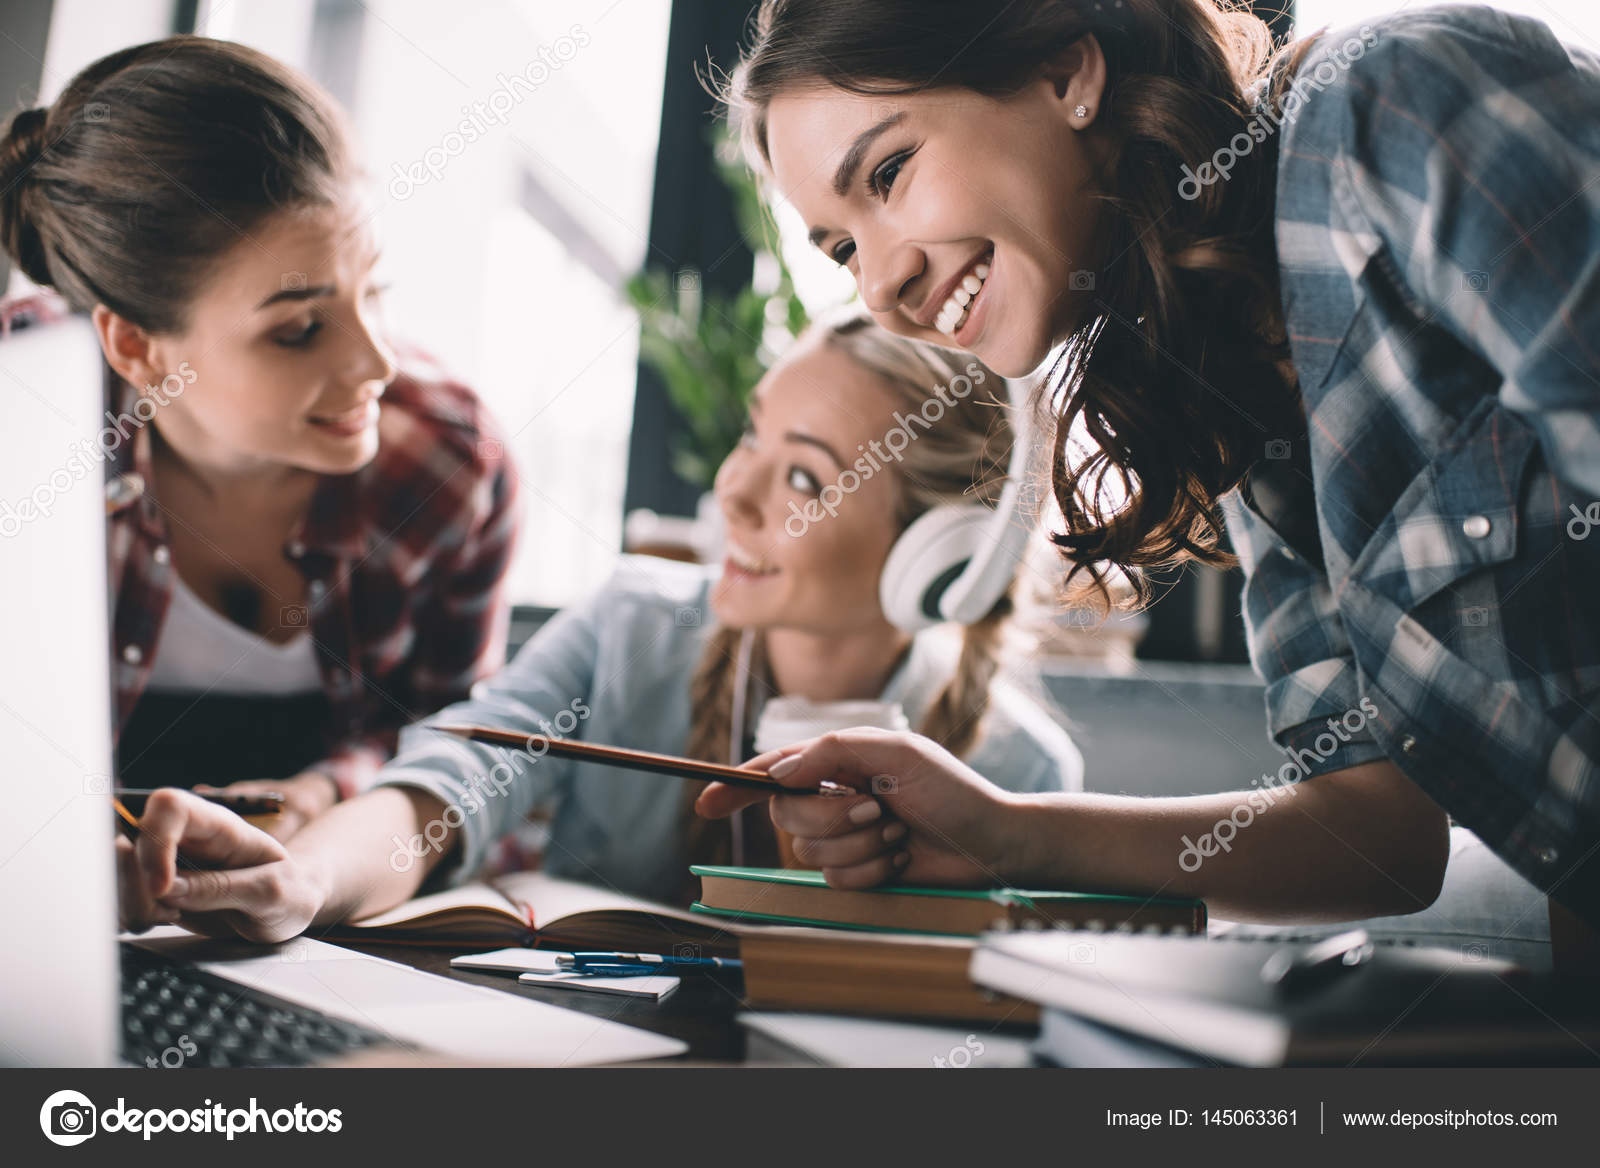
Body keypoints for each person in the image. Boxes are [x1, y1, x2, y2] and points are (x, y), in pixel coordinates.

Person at [696, 0, 1600, 927]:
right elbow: (1381, 836)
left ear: (1065, 75)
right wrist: (1003, 834)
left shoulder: (1394, 103)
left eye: (890, 172)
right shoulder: (1233, 364)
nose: (881, 285)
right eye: (845, 248)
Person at [117, 312, 1083, 938]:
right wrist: (303, 880)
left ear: (937, 560)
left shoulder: (1025, 781)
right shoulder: (633, 627)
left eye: (803, 476)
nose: (732, 491)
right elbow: (455, 778)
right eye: (752, 435)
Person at [0, 36, 520, 841]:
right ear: (136, 346)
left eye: (373, 292)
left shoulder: (448, 465)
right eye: (300, 329)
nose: (376, 362)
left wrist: (323, 795)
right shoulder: (23, 416)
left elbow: (452, 749)